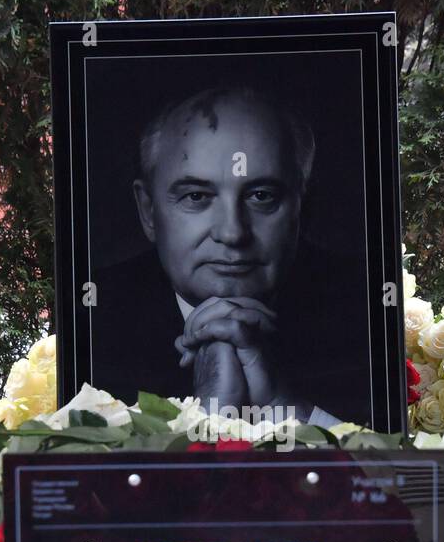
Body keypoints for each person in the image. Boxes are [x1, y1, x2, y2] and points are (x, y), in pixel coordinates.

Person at [89, 85, 369, 425]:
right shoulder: (90, 321)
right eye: (196, 197)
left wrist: (286, 408)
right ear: (148, 211)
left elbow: (405, 476)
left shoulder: (368, 312)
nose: (233, 233)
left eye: (261, 196)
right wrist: (207, 416)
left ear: (302, 208)